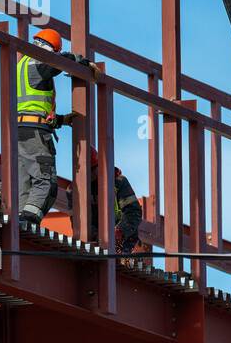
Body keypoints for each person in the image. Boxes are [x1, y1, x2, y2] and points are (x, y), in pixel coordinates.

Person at [15, 27, 92, 230]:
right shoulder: (38, 61)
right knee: (45, 181)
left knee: (24, 181)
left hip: (19, 130)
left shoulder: (21, 63)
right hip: (35, 134)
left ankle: (19, 219)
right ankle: (29, 222)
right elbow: (60, 63)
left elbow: (32, 105)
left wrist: (61, 120)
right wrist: (79, 61)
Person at [86, 149, 143, 254]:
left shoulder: (118, 182)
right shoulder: (76, 191)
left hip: (123, 239)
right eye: (91, 171)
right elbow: (78, 223)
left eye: (95, 169)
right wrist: (97, 236)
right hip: (95, 241)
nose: (94, 174)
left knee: (119, 260)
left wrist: (120, 231)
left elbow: (134, 212)